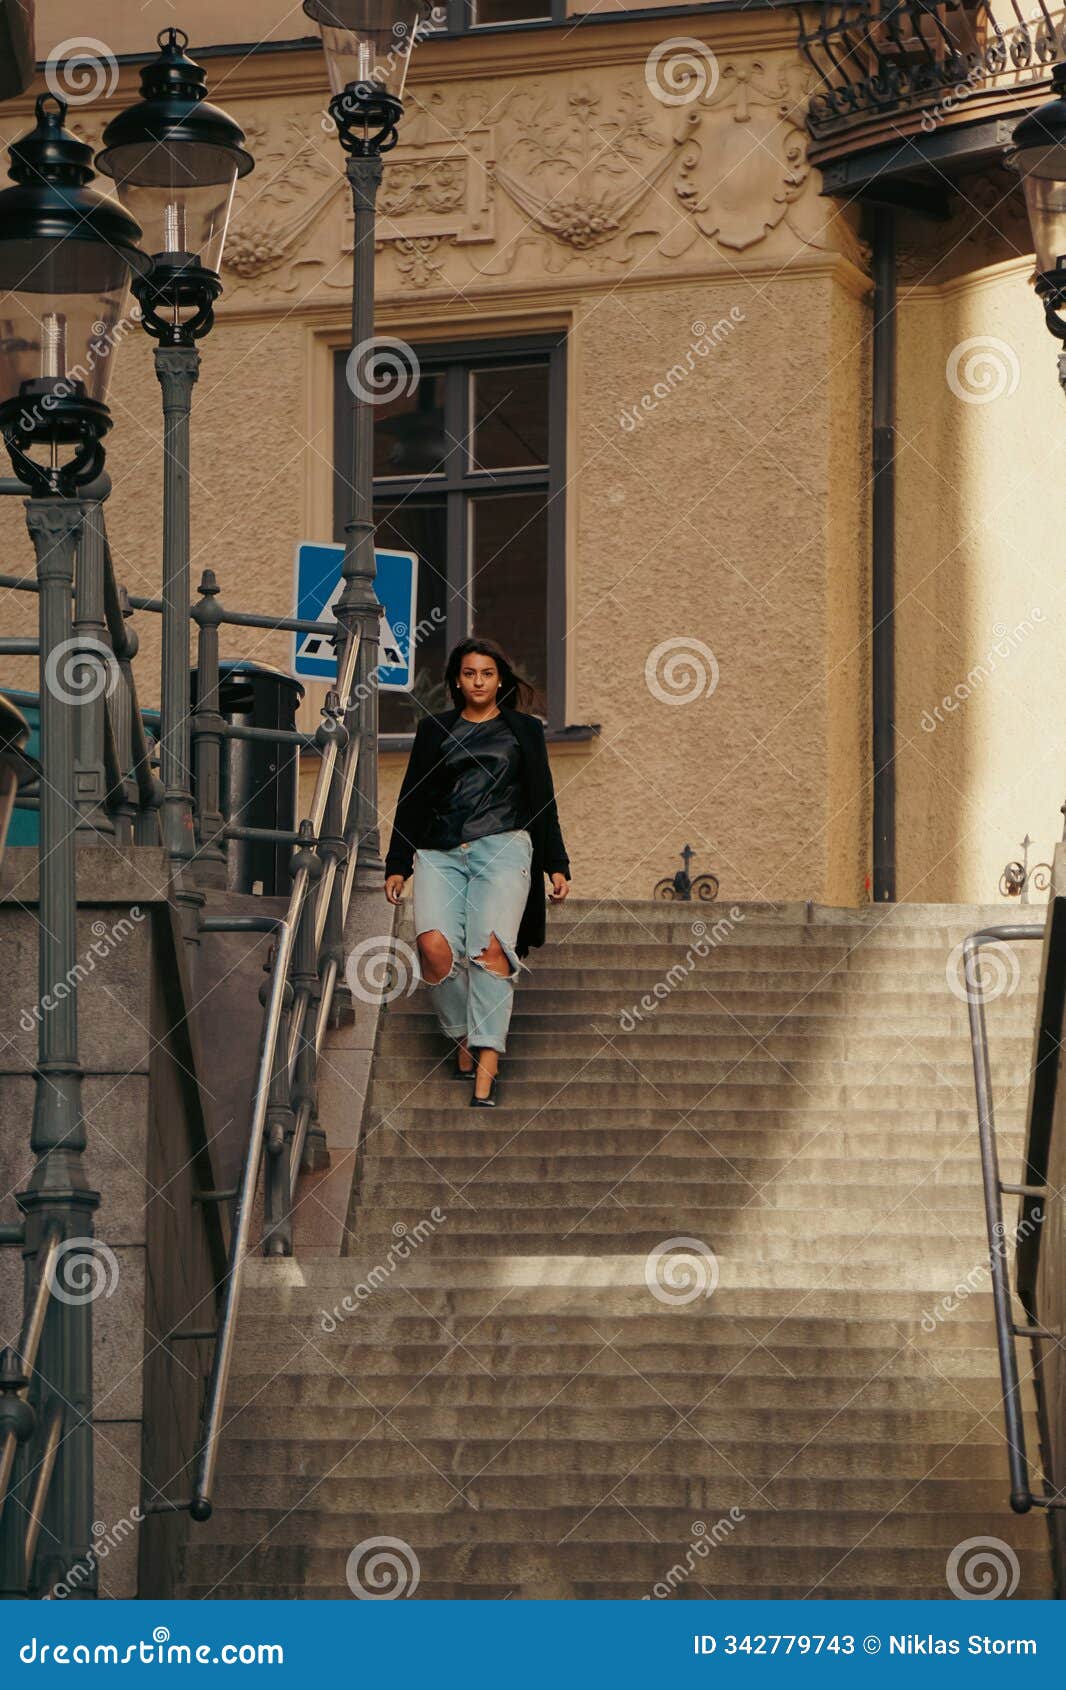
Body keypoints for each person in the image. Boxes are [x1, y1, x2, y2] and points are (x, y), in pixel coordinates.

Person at [384, 638, 570, 1105]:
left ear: (499, 679)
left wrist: (557, 864)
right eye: (469, 674)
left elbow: (543, 800)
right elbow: (412, 799)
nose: (478, 681)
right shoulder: (434, 731)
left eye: (486, 673)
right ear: (457, 681)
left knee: (490, 952)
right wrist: (397, 863)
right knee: (432, 948)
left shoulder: (523, 731)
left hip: (503, 847)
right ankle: (463, 1034)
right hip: (439, 851)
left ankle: (487, 1064)